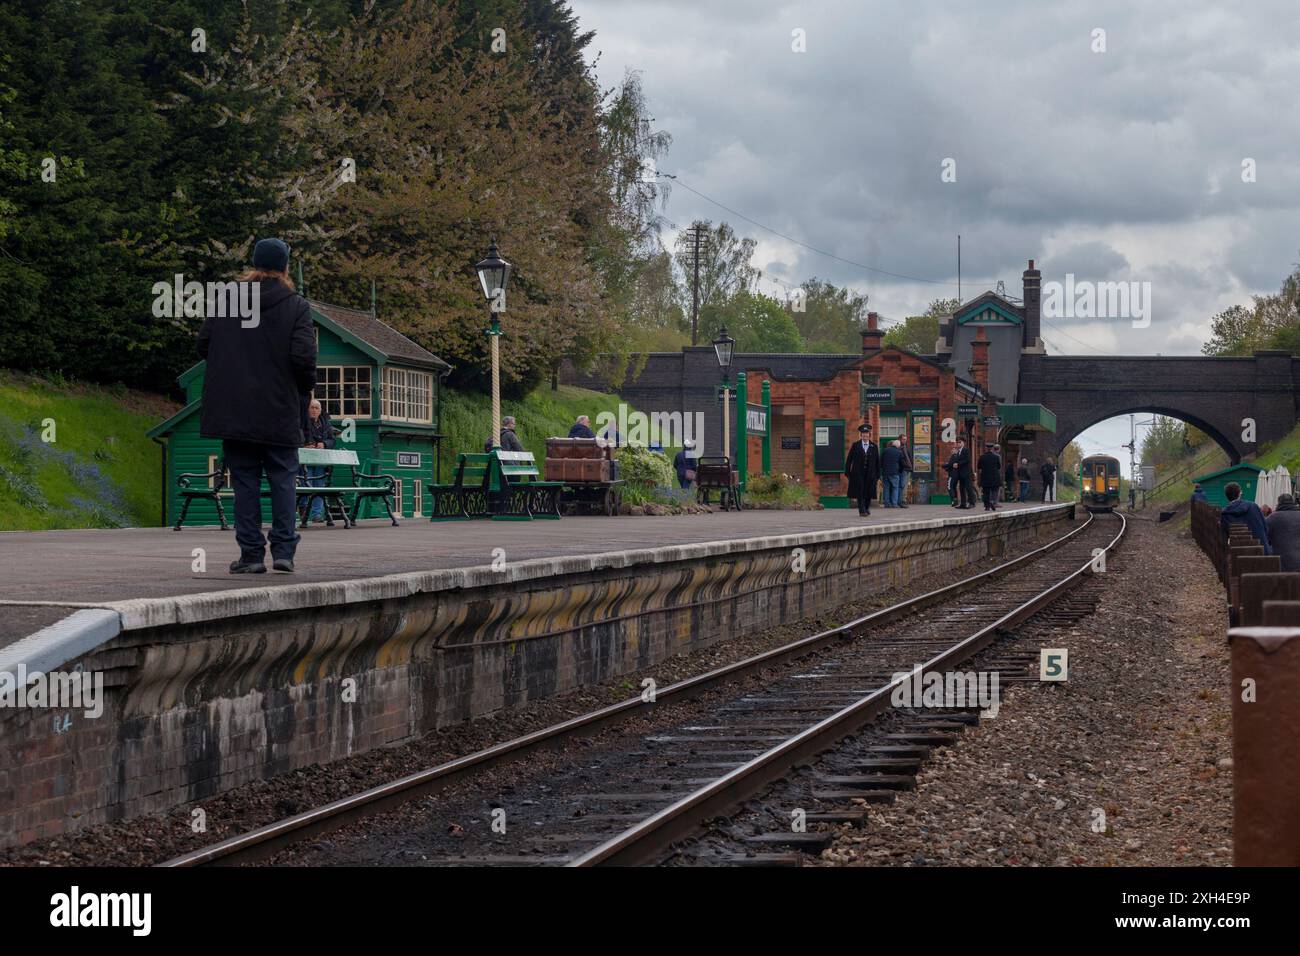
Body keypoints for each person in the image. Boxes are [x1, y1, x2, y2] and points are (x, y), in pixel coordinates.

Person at [197, 238, 315, 574]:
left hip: (235, 410)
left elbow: (203, 344)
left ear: (253, 264)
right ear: (285, 267)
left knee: (245, 481)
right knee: (283, 479)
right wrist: (302, 392)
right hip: (279, 408)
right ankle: (284, 551)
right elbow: (304, 358)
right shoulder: (296, 306)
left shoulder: (227, 299)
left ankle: (251, 555)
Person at [299, 398, 334, 525]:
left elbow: (332, 440)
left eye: (316, 408)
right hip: (305, 459)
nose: (314, 410)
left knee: (319, 486)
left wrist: (324, 444)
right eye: (311, 407)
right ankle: (303, 511)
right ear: (307, 409)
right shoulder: (302, 422)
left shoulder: (325, 423)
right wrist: (304, 445)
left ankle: (317, 514)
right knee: (306, 485)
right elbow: (296, 436)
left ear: (320, 410)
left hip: (320, 459)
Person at [1220, 481, 1271, 554]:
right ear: (1240, 493)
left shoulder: (1225, 514)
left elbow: (1224, 538)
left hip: (1241, 554)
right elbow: (1265, 527)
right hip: (1262, 550)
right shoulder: (1254, 506)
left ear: (1226, 496)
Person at [844, 423, 880, 517]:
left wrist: (877, 475)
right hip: (858, 473)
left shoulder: (874, 446)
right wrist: (848, 472)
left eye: (866, 434)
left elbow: (877, 462)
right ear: (861, 435)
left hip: (870, 474)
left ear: (869, 435)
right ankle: (861, 509)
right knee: (860, 491)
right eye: (863, 434)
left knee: (868, 492)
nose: (865, 436)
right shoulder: (855, 445)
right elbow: (849, 459)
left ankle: (867, 507)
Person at [1267, 494, 1300, 570]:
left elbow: (1265, 538)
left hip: (1281, 563)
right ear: (1293, 502)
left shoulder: (1272, 518)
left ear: (1279, 503)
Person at [977, 442, 1003, 511]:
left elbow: (979, 467)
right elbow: (999, 467)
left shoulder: (982, 457)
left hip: (985, 477)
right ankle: (992, 501)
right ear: (992, 449)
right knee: (994, 490)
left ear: (986, 448)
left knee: (986, 492)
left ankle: (987, 506)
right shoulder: (996, 457)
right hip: (994, 477)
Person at [880, 439, 903, 507]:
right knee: (895, 488)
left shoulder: (885, 450)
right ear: (898, 446)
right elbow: (901, 463)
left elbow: (880, 462)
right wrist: (900, 471)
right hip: (895, 472)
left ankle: (887, 503)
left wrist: (882, 470)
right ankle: (894, 504)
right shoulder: (899, 452)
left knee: (886, 488)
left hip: (885, 472)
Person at [953, 438, 975, 508]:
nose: (958, 444)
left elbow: (967, 460)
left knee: (969, 488)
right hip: (960, 473)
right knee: (961, 488)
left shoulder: (966, 450)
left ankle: (972, 503)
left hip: (966, 473)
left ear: (963, 443)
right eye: (957, 442)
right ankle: (963, 503)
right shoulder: (958, 452)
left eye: (959, 442)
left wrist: (958, 464)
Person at [896, 437, 912, 508]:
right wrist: (907, 466)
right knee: (902, 485)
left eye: (906, 439)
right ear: (900, 440)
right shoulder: (900, 448)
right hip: (904, 469)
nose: (905, 440)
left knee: (904, 485)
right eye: (903, 439)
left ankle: (902, 499)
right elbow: (902, 460)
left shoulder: (906, 447)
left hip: (907, 469)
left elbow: (909, 458)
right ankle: (901, 500)